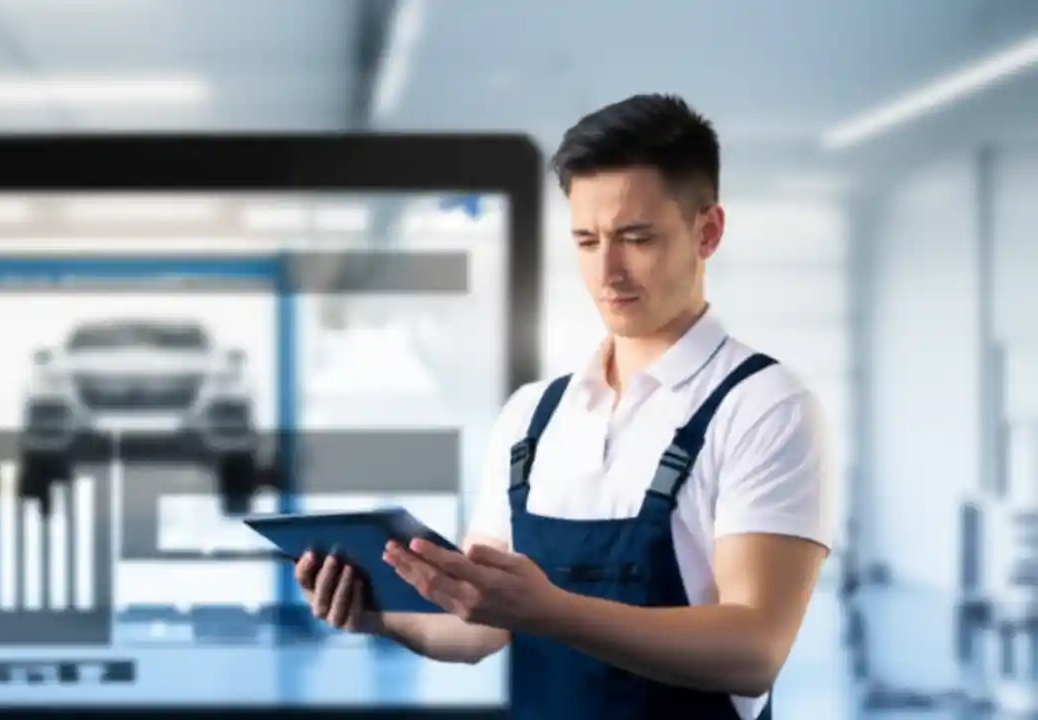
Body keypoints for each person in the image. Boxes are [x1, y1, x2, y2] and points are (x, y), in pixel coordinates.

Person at [294, 93, 831, 719]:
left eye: (636, 238)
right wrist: (382, 615)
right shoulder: (533, 417)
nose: (608, 272)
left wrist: (553, 611)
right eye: (586, 239)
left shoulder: (765, 407)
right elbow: (483, 627)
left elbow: (754, 649)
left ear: (707, 231)